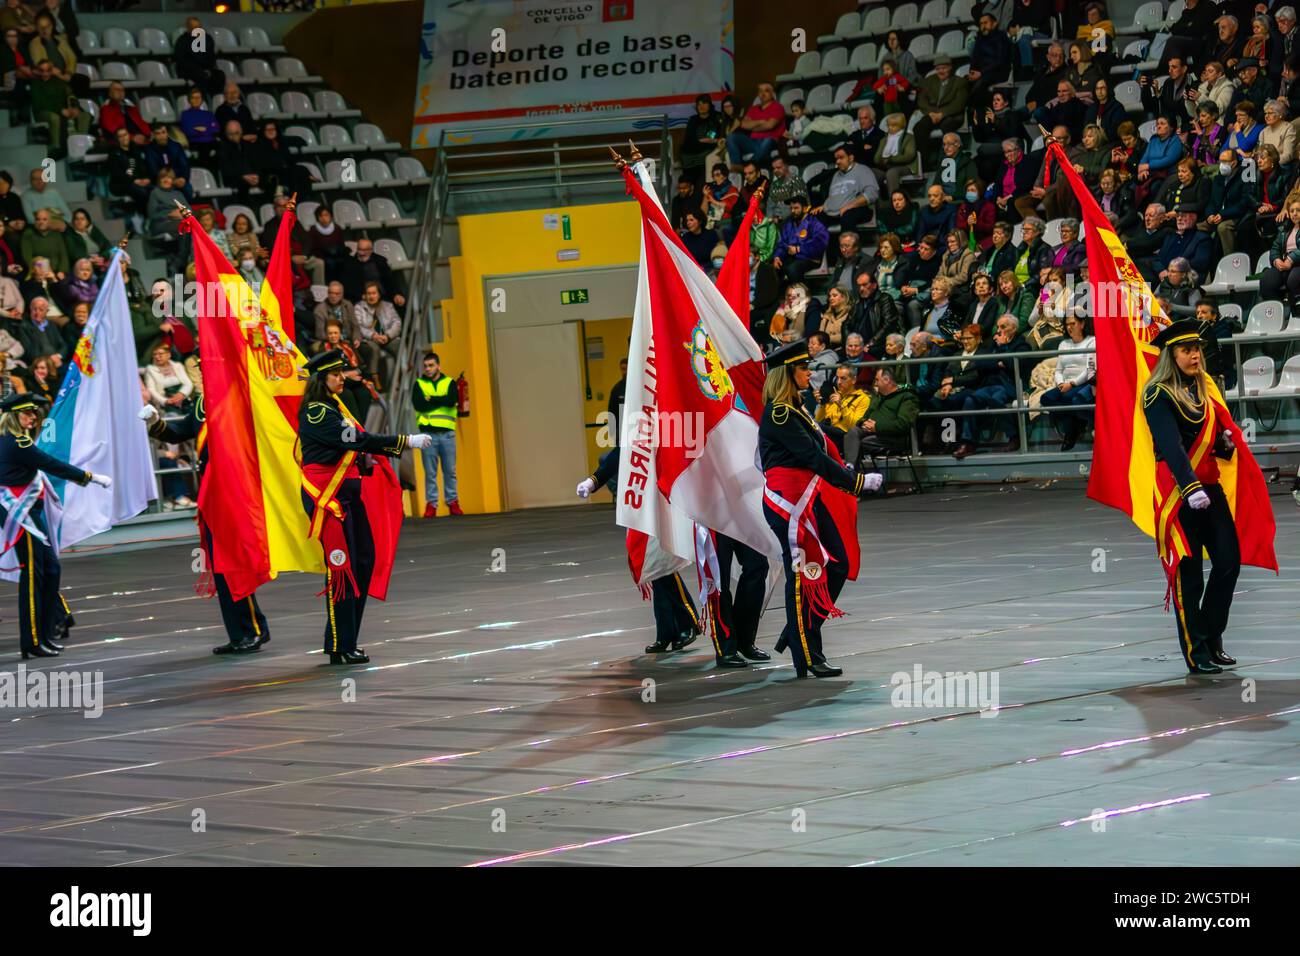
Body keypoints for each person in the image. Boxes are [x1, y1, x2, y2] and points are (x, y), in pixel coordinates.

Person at [297, 351, 431, 665]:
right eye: (336, 374)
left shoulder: (334, 406)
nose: (342, 378)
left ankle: (342, 641)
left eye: (342, 373)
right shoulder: (317, 410)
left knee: (363, 562)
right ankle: (342, 645)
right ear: (322, 379)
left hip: (347, 496)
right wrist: (404, 442)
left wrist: (364, 459)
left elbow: (350, 447)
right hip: (328, 499)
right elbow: (355, 438)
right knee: (343, 569)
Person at [758, 341, 881, 679]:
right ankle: (808, 652)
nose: (809, 373)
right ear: (787, 374)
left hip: (807, 500)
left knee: (836, 564)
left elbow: (823, 442)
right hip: (789, 505)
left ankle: (797, 632)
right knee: (803, 575)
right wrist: (855, 482)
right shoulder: (780, 413)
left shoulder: (797, 408)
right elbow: (813, 458)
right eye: (803, 368)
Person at [137, 371, 269, 654]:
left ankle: (254, 630)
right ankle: (240, 632)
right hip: (211, 488)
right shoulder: (201, 405)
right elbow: (179, 432)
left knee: (234, 561)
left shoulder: (238, 401)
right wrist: (154, 422)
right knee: (221, 565)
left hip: (234, 487)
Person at [1141, 321, 1244, 675]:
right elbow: (1170, 446)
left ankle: (1211, 635)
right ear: (1172, 356)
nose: (1194, 355)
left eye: (1197, 349)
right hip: (1178, 491)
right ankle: (1196, 650)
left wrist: (1225, 443)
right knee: (1189, 576)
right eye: (1186, 350)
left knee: (1229, 561)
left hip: (1209, 488)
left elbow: (1208, 440)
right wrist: (1189, 487)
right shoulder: (1157, 394)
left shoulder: (1203, 391)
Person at [0, 392, 110, 659]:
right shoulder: (17, 443)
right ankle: (33, 640)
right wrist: (89, 477)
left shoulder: (15, 442)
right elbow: (51, 464)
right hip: (21, 511)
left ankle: (47, 630)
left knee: (50, 568)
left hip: (30, 510)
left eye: (34, 414)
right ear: (14, 417)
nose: (33, 417)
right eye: (27, 413)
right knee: (32, 575)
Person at [412, 351, 460, 518]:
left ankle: (453, 502)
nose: (428, 368)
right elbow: (419, 405)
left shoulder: (449, 383)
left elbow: (452, 400)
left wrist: (430, 399)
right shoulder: (419, 384)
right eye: (425, 366)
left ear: (438, 366)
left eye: (431, 365)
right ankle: (432, 504)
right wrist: (441, 400)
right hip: (428, 435)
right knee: (430, 473)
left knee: (450, 471)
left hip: (447, 434)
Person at [1038, 315, 1096, 451]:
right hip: (1064, 384)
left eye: (1073, 323)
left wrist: (1072, 383)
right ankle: (1076, 424)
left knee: (1067, 398)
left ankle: (1070, 434)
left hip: (1083, 382)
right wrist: (1060, 383)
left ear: (1082, 324)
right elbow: (1059, 369)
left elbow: (1091, 369)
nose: (1069, 327)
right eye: (1067, 324)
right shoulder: (1064, 344)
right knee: (1045, 399)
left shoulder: (1092, 341)